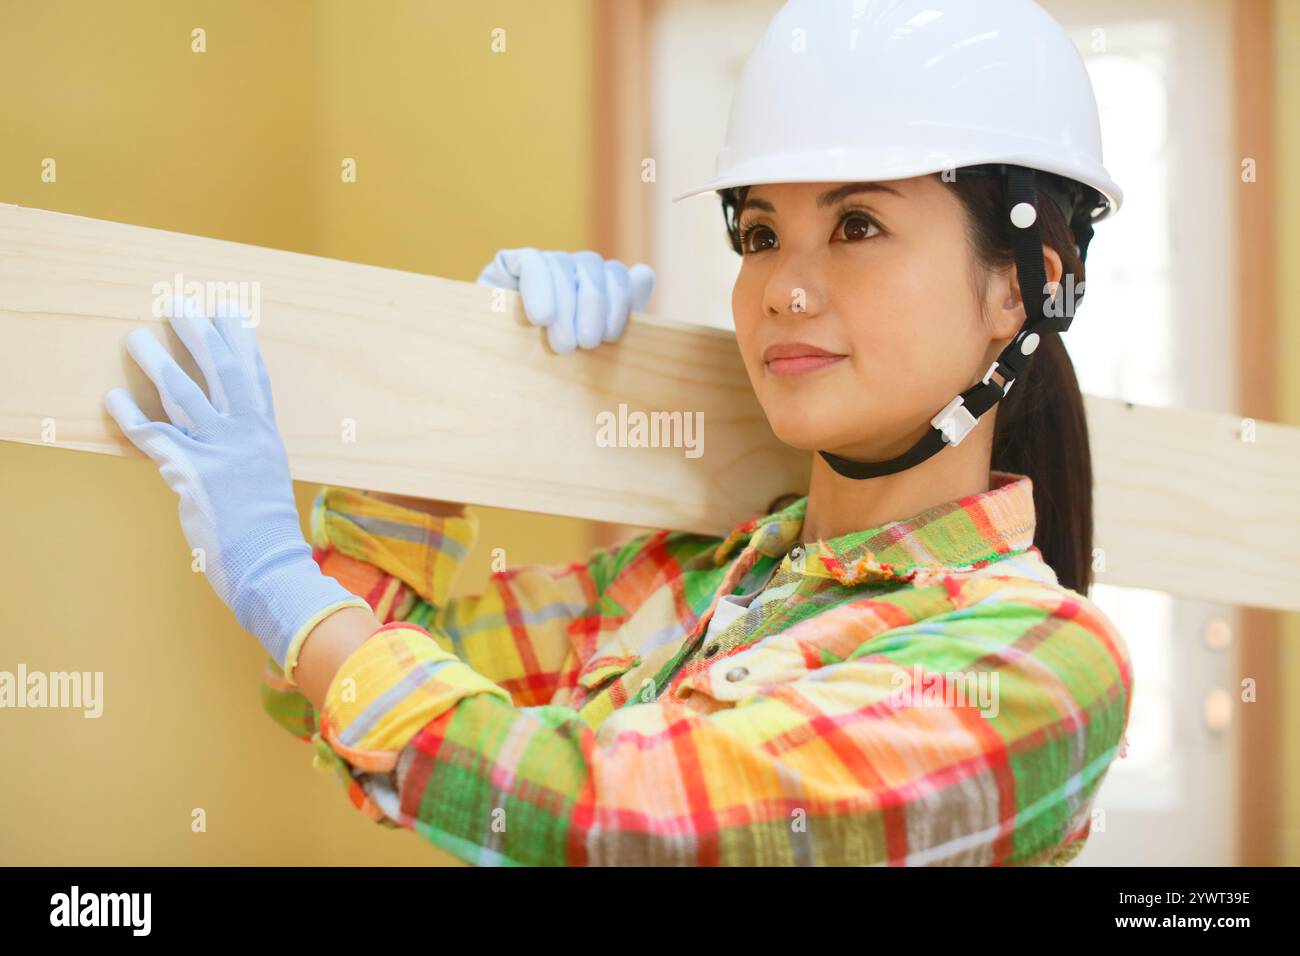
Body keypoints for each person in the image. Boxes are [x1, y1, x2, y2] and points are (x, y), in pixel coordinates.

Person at [105, 0, 1132, 865]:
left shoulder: (1039, 662)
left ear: (1023, 285)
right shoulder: (683, 585)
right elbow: (333, 701)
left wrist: (280, 576)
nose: (783, 286)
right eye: (761, 233)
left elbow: (626, 824)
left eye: (857, 224)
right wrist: (462, 398)